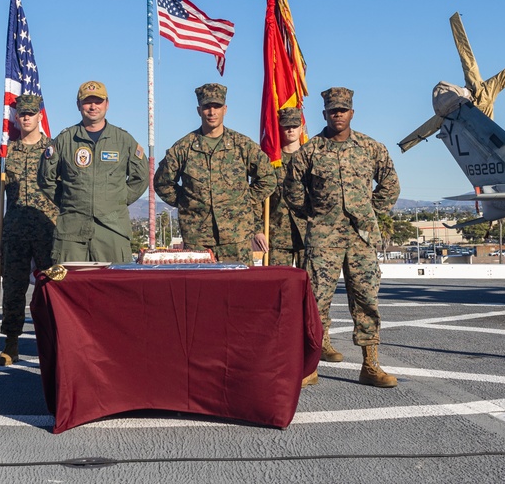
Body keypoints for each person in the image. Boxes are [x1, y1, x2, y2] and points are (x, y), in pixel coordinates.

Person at [284, 87, 401, 388]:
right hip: (323, 238)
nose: (338, 114)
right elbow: (293, 192)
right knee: (316, 301)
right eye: (332, 110)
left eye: (343, 110)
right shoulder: (309, 152)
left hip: (361, 237)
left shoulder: (370, 148)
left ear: (351, 112)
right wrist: (319, 215)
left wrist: (369, 211)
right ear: (324, 114)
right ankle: (311, 366)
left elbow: (390, 183)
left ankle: (370, 365)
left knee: (366, 299)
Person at [153, 83, 275, 265]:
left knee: (238, 288)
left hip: (236, 235)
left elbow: (268, 178)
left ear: (225, 109)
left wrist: (243, 201)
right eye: (207, 107)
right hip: (197, 237)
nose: (212, 112)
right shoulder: (183, 148)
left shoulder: (242, 145)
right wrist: (186, 202)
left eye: (216, 107)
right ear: (198, 110)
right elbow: (162, 183)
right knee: (200, 290)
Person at [0, 94, 59, 366]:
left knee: (52, 288)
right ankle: (11, 343)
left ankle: (55, 341)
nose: (26, 118)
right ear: (16, 117)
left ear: (40, 115)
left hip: (48, 229)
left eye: (31, 113)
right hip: (14, 231)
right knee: (13, 289)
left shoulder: (54, 150)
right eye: (22, 114)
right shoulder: (6, 154)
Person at [39, 80, 148, 263]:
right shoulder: (65, 140)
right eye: (87, 101)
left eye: (98, 101)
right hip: (72, 232)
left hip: (113, 230)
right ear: (78, 105)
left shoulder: (123, 140)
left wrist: (117, 200)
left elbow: (141, 177)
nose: (93, 106)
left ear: (107, 104)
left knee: (115, 288)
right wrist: (69, 201)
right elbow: (45, 178)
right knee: (70, 288)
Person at [267, 107, 307, 268]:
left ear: (301, 128)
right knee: (277, 289)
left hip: (308, 236)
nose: (290, 129)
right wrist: (257, 230)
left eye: (294, 125)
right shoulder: (270, 162)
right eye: (286, 126)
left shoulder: (312, 159)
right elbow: (259, 198)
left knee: (310, 289)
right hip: (277, 237)